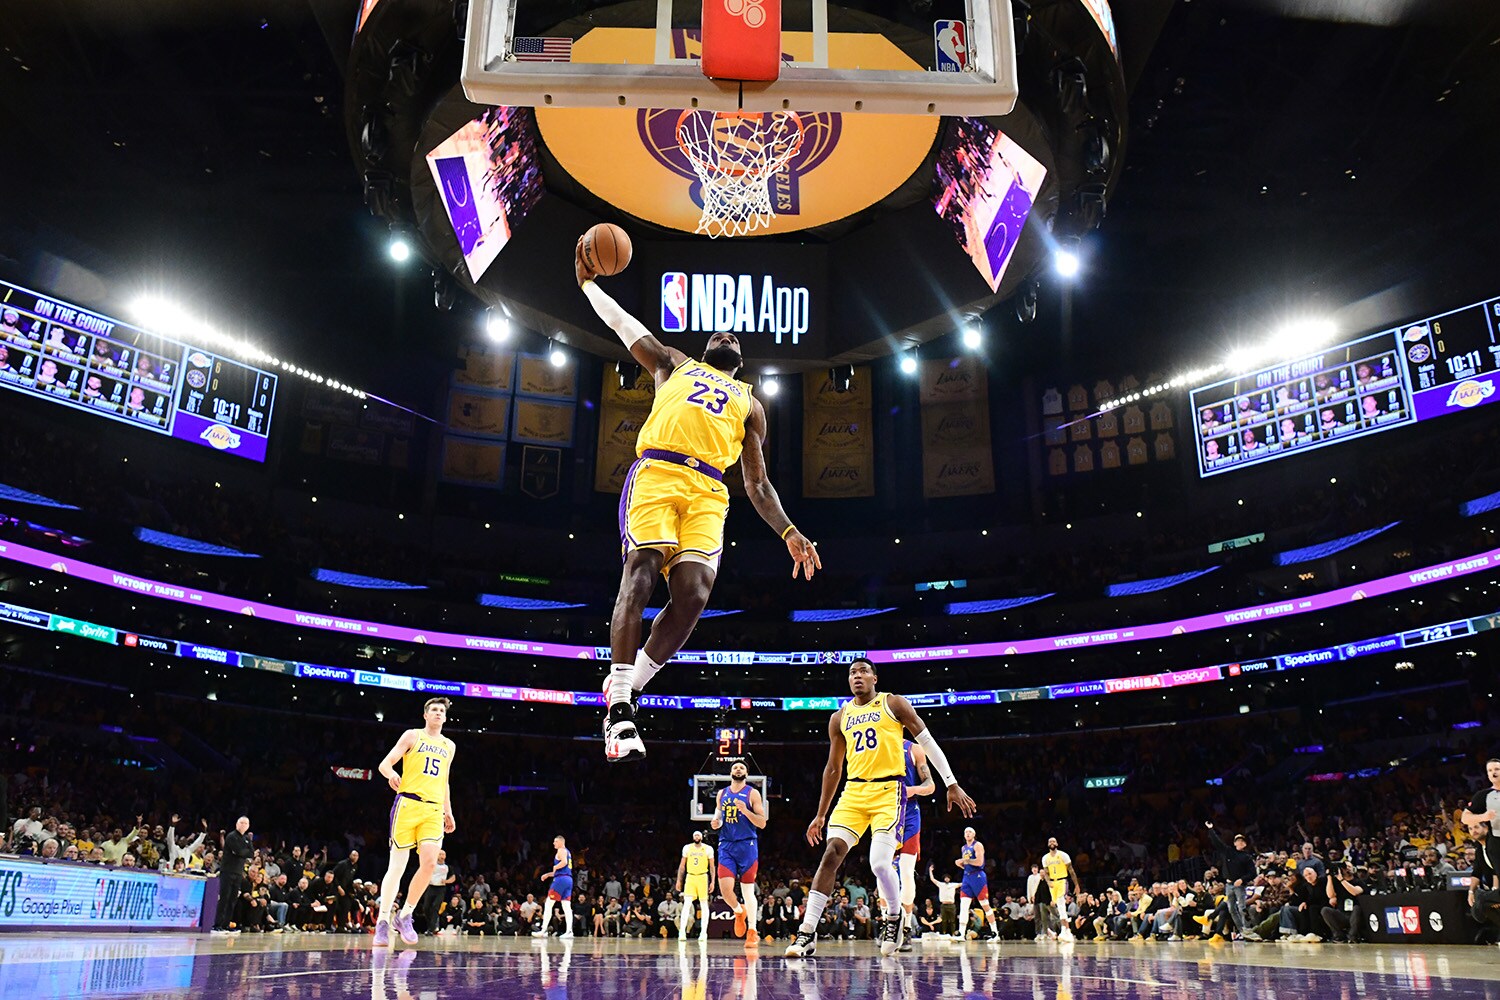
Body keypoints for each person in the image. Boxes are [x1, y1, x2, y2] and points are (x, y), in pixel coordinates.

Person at [575, 243, 821, 763]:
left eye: (732, 337)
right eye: (718, 334)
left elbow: (756, 483)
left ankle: (630, 684)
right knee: (641, 569)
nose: (725, 336)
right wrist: (590, 286)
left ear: (740, 361)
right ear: (706, 350)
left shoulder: (751, 404)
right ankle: (620, 710)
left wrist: (790, 531)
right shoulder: (673, 364)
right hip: (659, 471)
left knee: (693, 595)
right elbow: (627, 326)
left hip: (711, 491)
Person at [784, 658, 976, 958]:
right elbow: (833, 769)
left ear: (875, 677)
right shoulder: (839, 717)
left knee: (879, 864)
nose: (857, 676)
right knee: (831, 853)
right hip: (854, 791)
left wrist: (951, 783)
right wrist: (820, 814)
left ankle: (894, 918)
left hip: (890, 791)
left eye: (862, 671)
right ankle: (807, 934)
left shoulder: (894, 704)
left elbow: (927, 741)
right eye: (852, 673)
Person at [374, 697, 457, 948]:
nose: (438, 713)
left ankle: (405, 915)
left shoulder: (449, 746)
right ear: (425, 715)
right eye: (434, 709)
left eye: (442, 710)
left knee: (430, 864)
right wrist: (391, 774)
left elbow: (444, 782)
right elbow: (384, 764)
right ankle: (383, 921)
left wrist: (448, 811)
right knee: (397, 867)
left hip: (433, 810)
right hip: (407, 805)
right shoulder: (412, 736)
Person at [884, 739, 934, 951]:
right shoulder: (877, 744)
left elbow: (930, 785)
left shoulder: (914, 749)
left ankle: (905, 927)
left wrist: (911, 790)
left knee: (905, 871)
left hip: (910, 814)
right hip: (884, 812)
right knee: (883, 869)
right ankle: (888, 923)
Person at [713, 760, 766, 946]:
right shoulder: (722, 793)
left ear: (746, 773)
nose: (738, 769)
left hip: (747, 845)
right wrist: (715, 823)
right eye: (735, 767)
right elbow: (718, 817)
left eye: (741, 767)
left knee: (748, 891)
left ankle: (752, 930)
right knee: (726, 891)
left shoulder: (753, 793)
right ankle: (738, 910)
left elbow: (762, 822)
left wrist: (746, 811)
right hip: (727, 844)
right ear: (730, 772)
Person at [1204, 822, 1254, 940]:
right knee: (1231, 909)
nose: (1240, 842)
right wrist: (1211, 830)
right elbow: (1217, 843)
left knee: (1242, 907)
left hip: (1239, 886)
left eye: (1242, 841)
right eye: (1238, 841)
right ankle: (1242, 930)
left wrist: (1242, 880)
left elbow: (1252, 873)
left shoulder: (1247, 857)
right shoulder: (1228, 851)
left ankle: (1247, 929)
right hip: (1229, 885)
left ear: (1245, 844)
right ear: (1234, 843)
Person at [955, 827, 1002, 943]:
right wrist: (961, 863)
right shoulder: (963, 848)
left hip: (978, 877)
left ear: (974, 834)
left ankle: (995, 933)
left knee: (985, 905)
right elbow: (967, 865)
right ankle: (961, 933)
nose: (967, 833)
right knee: (963, 906)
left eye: (970, 832)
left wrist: (966, 861)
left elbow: (980, 862)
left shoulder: (978, 845)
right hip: (967, 877)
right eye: (965, 832)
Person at [214, 816, 253, 932]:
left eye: (246, 823)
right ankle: (218, 924)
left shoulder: (247, 838)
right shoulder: (231, 836)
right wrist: (243, 852)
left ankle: (226, 924)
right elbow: (240, 851)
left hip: (238, 872)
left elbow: (250, 853)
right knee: (224, 898)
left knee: (232, 899)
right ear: (237, 824)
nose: (243, 825)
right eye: (241, 822)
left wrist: (243, 852)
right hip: (227, 871)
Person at [535, 835, 576, 938]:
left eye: (555, 841)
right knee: (566, 906)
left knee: (549, 904)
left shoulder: (561, 850)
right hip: (568, 879)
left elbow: (564, 863)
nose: (554, 843)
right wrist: (548, 874)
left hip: (560, 880)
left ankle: (543, 930)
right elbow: (563, 869)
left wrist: (555, 866)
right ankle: (569, 931)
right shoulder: (568, 852)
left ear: (561, 842)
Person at [676, 830, 714, 941]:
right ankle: (682, 932)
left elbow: (712, 867)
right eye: (695, 835)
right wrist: (679, 880)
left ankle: (703, 933)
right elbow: (682, 865)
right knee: (687, 904)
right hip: (691, 876)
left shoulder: (708, 849)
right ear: (693, 837)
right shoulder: (687, 848)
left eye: (698, 835)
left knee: (704, 905)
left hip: (702, 877)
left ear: (701, 837)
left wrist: (712, 882)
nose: (697, 836)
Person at [1042, 837, 1080, 942]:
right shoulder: (1045, 858)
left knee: (1061, 906)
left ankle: (1064, 930)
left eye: (1053, 841)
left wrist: (1076, 885)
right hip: (1052, 884)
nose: (1052, 843)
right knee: (1058, 907)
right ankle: (1067, 930)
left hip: (1062, 881)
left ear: (1057, 843)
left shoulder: (1063, 855)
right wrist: (1048, 881)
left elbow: (1071, 871)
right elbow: (1046, 872)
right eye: (1050, 841)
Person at [928, 864, 960, 935]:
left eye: (948, 878)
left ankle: (953, 934)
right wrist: (930, 871)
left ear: (949, 879)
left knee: (952, 920)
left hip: (951, 905)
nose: (947, 879)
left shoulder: (953, 885)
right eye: (945, 878)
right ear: (944, 879)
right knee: (944, 920)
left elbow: (962, 884)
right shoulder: (941, 884)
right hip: (943, 905)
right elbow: (932, 879)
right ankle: (944, 933)